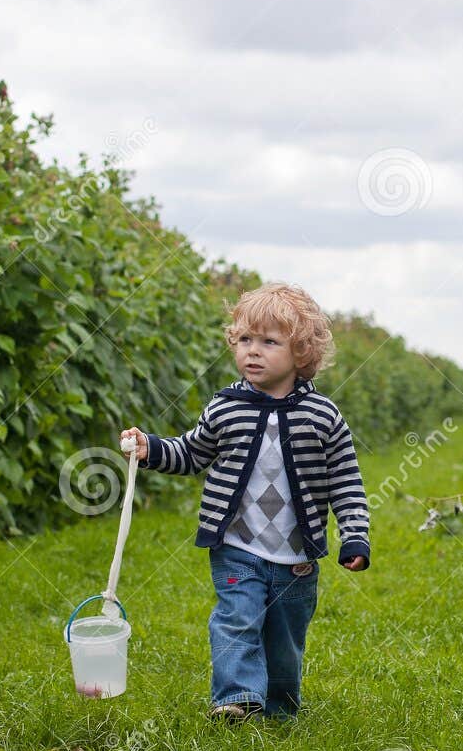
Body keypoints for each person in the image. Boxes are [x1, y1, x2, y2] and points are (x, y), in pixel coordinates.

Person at [120, 282, 370, 723]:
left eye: (269, 342)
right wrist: (150, 448)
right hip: (236, 547)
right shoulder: (226, 407)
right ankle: (236, 700)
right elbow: (193, 452)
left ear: (301, 354)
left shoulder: (323, 417)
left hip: (296, 556)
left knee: (284, 639)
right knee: (236, 621)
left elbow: (345, 482)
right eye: (244, 340)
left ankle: (280, 707)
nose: (252, 351)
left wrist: (354, 537)